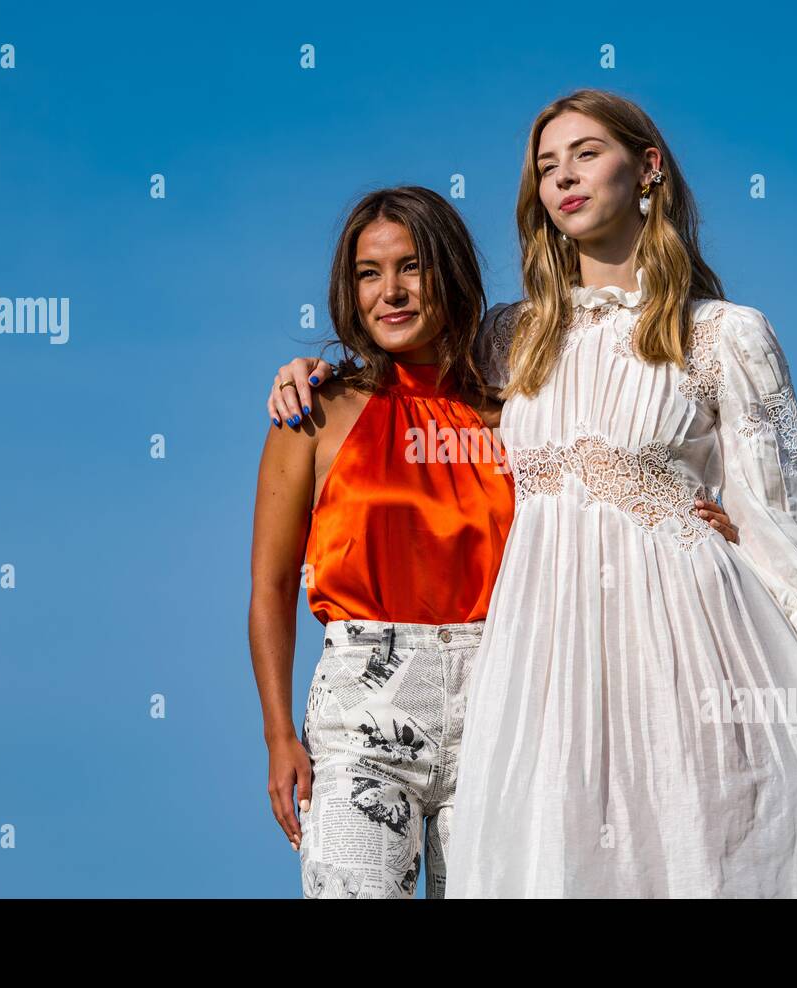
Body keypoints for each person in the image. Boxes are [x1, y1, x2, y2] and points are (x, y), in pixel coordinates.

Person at [264, 89, 797, 898]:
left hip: (681, 648)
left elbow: (783, 530)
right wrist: (315, 372)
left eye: (585, 153)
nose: (563, 176)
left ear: (648, 168)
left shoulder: (726, 334)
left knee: (686, 856)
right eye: (545, 165)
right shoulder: (508, 338)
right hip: (539, 659)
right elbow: (404, 363)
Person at [249, 183, 743, 898]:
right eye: (368, 272)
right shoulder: (315, 414)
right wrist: (277, 737)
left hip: (507, 699)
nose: (390, 291)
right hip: (363, 708)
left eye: (412, 267)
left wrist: (691, 520)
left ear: (449, 273)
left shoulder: (520, 413)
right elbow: (269, 587)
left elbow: (601, 494)